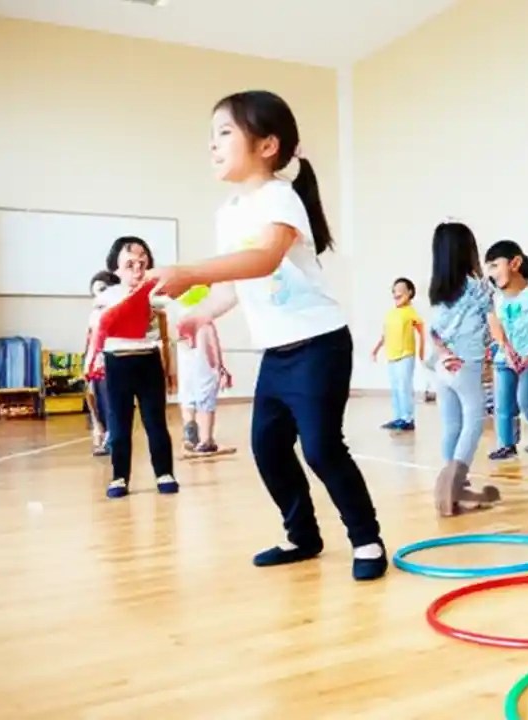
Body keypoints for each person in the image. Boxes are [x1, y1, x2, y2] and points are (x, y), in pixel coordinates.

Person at [147, 90, 387, 581]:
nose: (212, 145)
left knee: (321, 447)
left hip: (320, 344)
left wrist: (190, 274)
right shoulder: (227, 212)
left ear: (267, 144)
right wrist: (201, 315)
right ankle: (302, 536)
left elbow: (265, 259)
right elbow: (239, 284)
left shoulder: (279, 196)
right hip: (276, 354)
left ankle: (367, 539)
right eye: (210, 136)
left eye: (224, 132)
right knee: (268, 447)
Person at [85, 237, 178, 499]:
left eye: (142, 263)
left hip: (148, 360)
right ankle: (119, 477)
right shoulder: (106, 298)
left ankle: (164, 472)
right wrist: (92, 362)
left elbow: (167, 334)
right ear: (116, 269)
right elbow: (96, 333)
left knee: (155, 421)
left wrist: (171, 370)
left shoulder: (155, 297)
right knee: (119, 422)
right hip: (117, 363)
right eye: (130, 264)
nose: (137, 269)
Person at [426, 222, 502, 516]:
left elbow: (434, 332)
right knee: (474, 420)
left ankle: (454, 483)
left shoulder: (438, 291)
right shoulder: (479, 288)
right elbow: (494, 324)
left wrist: (444, 354)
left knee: (452, 424)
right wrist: (506, 349)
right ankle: (452, 484)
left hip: (443, 366)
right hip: (466, 364)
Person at [485, 239, 528, 460]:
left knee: (525, 400)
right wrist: (505, 349)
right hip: (505, 359)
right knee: (503, 405)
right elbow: (495, 327)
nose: (491, 272)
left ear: (515, 263)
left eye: (495, 265)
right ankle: (507, 444)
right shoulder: (496, 300)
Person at [175, 289, 231, 454]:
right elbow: (212, 345)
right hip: (205, 368)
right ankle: (206, 439)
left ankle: (190, 432)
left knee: (188, 399)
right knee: (206, 402)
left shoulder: (180, 324)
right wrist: (220, 367)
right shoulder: (204, 323)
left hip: (186, 371)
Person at [370, 277, 424, 431]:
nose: (397, 293)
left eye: (401, 289)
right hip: (392, 356)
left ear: (410, 292)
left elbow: (422, 331)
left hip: (406, 355)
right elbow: (385, 335)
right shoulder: (391, 314)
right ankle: (398, 417)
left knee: (404, 387)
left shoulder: (411, 312)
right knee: (395, 388)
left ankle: (408, 419)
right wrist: (376, 350)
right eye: (394, 290)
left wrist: (422, 352)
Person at [84, 270, 119, 456]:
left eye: (103, 289)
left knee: (111, 401)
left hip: (111, 361)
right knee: (95, 399)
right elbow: (90, 340)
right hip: (96, 363)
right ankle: (101, 432)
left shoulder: (115, 312)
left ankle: (112, 438)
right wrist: (88, 361)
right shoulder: (94, 314)